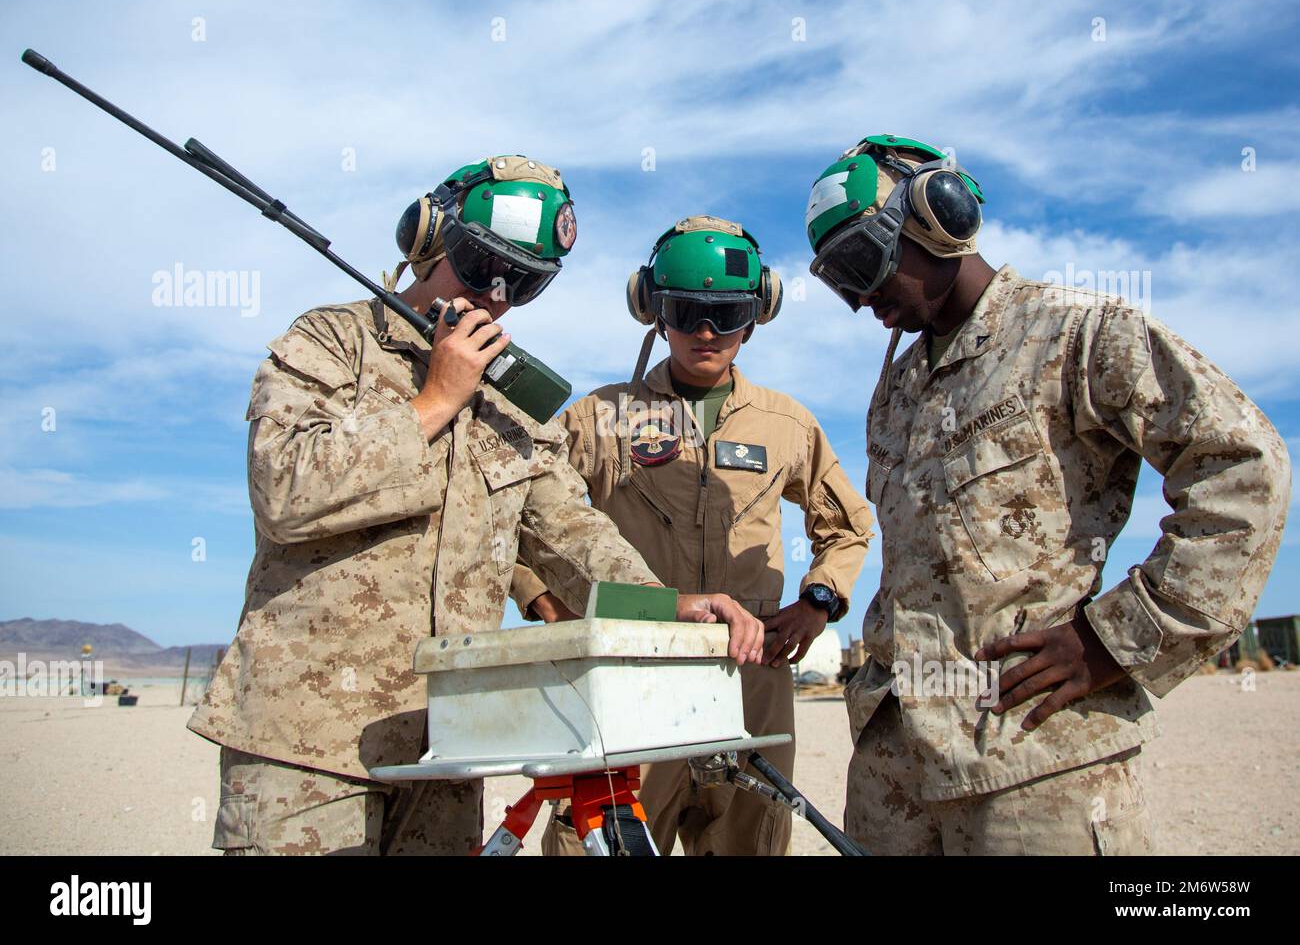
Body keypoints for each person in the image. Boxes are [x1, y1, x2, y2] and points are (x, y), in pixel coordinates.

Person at [187, 159, 766, 855]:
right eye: (480, 266)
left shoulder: (516, 404)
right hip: (303, 744)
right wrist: (434, 401)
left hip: (450, 747)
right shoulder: (332, 343)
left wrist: (670, 604)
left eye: (522, 282)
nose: (495, 296)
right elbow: (285, 492)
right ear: (428, 235)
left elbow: (573, 540)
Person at [805, 133, 1291, 854]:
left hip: (1034, 768)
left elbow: (1244, 468)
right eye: (837, 280)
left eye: (862, 263)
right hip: (895, 779)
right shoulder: (895, 390)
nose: (859, 297)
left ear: (940, 216)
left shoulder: (1078, 334)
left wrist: (1117, 639)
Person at [513, 215, 873, 855]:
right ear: (651, 309)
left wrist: (818, 603)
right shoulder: (601, 418)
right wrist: (543, 599)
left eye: (725, 315)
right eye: (685, 312)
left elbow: (847, 526)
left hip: (753, 679)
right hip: (630, 677)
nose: (705, 333)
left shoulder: (788, 424)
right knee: (603, 840)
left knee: (750, 840)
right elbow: (518, 509)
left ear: (758, 313)